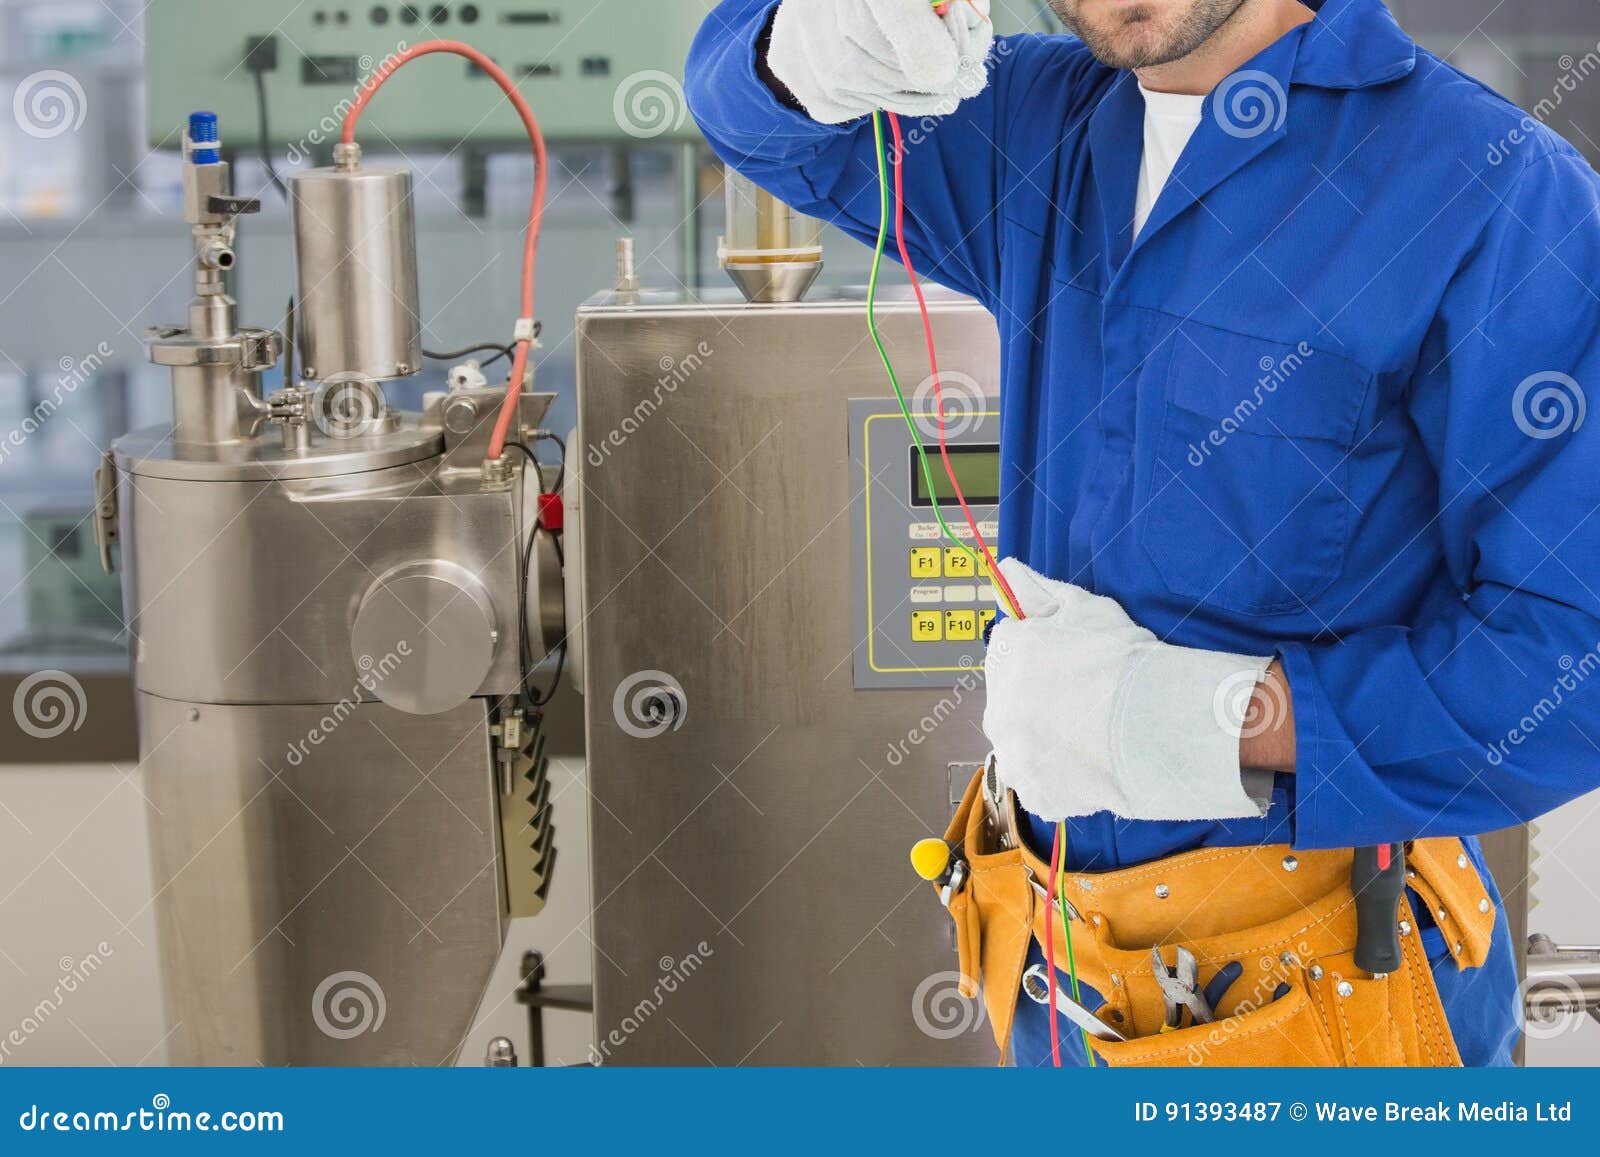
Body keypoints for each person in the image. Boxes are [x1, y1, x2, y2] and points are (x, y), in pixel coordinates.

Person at [687, 0, 1600, 1066]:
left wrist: (1214, 719)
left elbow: (1572, 660)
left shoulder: (1486, 190)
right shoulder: (1034, 127)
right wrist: (797, 46)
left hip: (1333, 999)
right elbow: (749, 118)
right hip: (1060, 978)